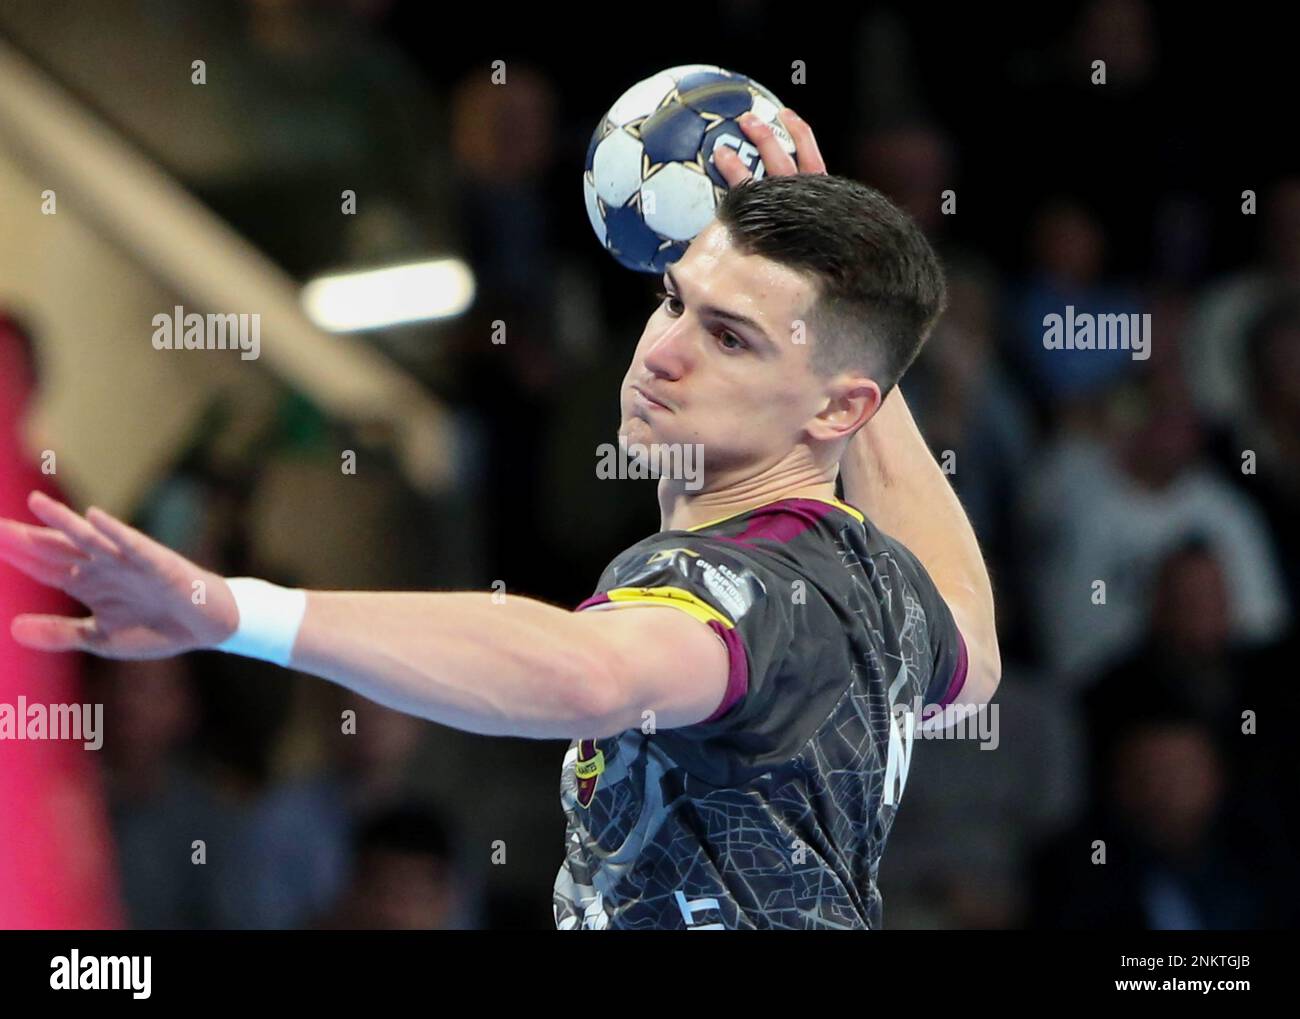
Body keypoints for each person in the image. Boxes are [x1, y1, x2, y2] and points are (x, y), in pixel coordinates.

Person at [0, 112, 1000, 930]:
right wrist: (858, 302)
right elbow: (973, 651)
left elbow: (590, 671)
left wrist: (231, 609)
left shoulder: (742, 586)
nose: (661, 353)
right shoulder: (875, 581)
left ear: (837, 410)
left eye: (729, 337)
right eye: (672, 302)